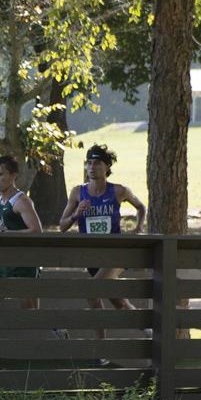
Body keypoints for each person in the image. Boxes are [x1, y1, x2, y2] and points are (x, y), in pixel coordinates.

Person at [57, 143, 146, 352]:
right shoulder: (78, 193)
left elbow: (141, 207)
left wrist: (138, 228)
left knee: (92, 292)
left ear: (107, 167)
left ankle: (101, 349)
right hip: (90, 256)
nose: (91, 167)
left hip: (115, 254)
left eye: (97, 163)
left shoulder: (118, 190)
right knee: (119, 303)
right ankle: (147, 329)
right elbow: (62, 226)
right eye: (88, 162)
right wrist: (76, 214)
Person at [0, 154, 43, 369]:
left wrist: (8, 233)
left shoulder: (21, 201)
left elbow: (36, 231)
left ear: (12, 175)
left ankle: (56, 335)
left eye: (0, 174)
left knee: (30, 312)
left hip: (22, 264)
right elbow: (0, 230)